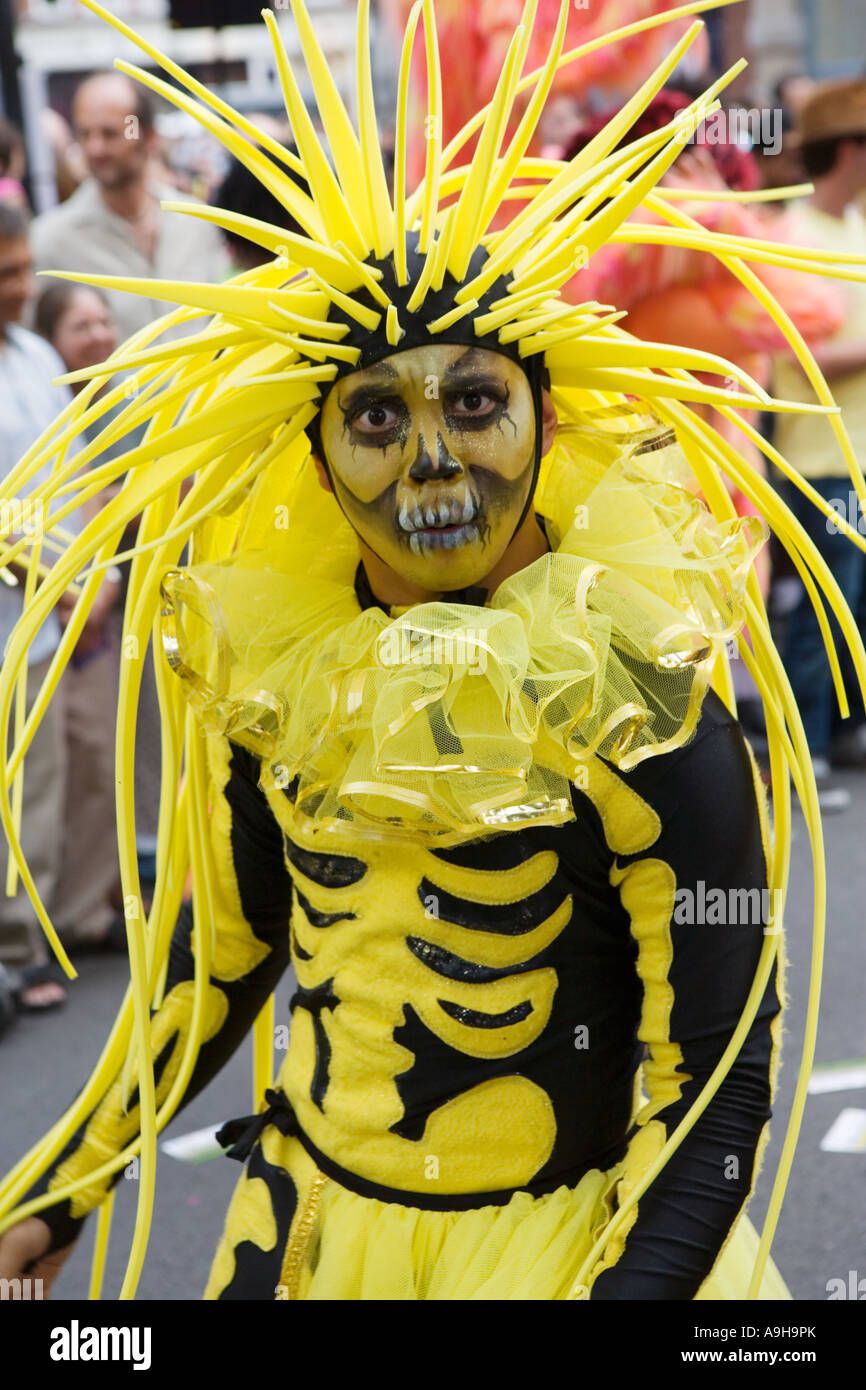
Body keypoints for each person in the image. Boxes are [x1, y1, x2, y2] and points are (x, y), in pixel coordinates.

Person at [0, 0, 862, 1301]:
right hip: (305, 1235)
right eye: (374, 416)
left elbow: (717, 1074)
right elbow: (210, 963)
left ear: (542, 412)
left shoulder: (634, 685)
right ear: (313, 450)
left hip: (568, 1251)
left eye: (472, 401)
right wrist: (56, 1186)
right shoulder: (273, 670)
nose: (434, 460)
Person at [772, 79, 866, 776]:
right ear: (850, 149)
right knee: (819, 613)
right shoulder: (791, 236)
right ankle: (803, 751)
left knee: (852, 611)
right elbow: (797, 362)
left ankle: (840, 734)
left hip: (858, 459)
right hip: (818, 462)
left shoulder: (855, 227)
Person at [34, 282, 130, 953]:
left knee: (97, 762)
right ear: (53, 341)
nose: (97, 335)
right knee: (43, 778)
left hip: (93, 608)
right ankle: (31, 932)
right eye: (80, 324)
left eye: (105, 320)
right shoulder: (39, 405)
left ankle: (82, 912)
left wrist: (102, 583)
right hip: (44, 606)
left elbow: (100, 497)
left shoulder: (123, 407)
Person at [31, 71, 229, 345]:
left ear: (148, 137)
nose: (95, 148)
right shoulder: (50, 240)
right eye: (84, 134)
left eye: (110, 133)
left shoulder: (194, 221)